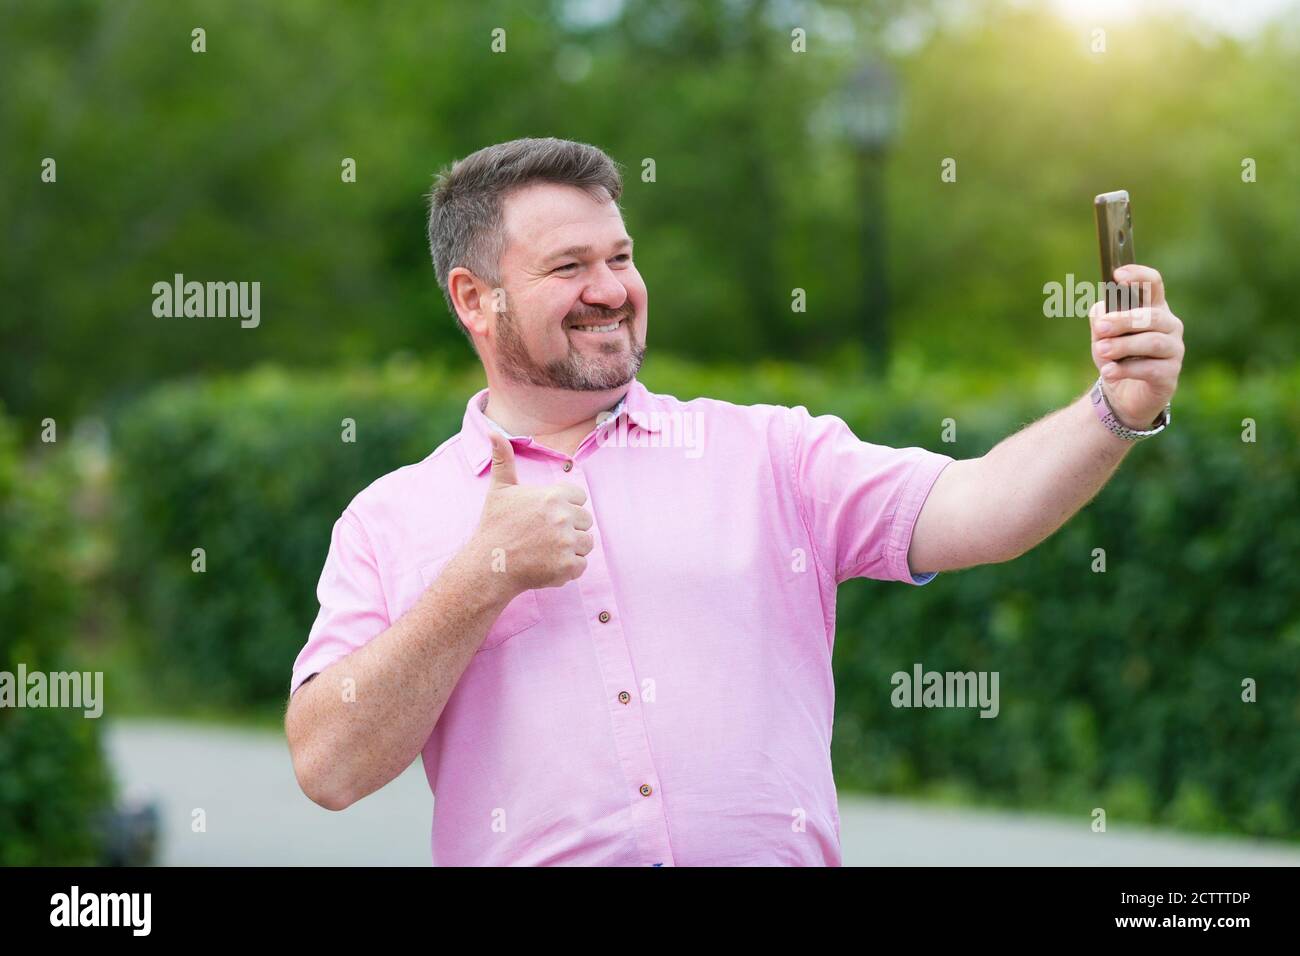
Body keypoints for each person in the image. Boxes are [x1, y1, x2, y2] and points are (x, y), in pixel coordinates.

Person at [284, 137, 1185, 865]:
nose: (612, 290)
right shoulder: (389, 518)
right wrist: (483, 576)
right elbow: (328, 765)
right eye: (569, 266)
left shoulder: (768, 452)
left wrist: (1115, 409)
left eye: (621, 256)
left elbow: (983, 506)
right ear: (475, 300)